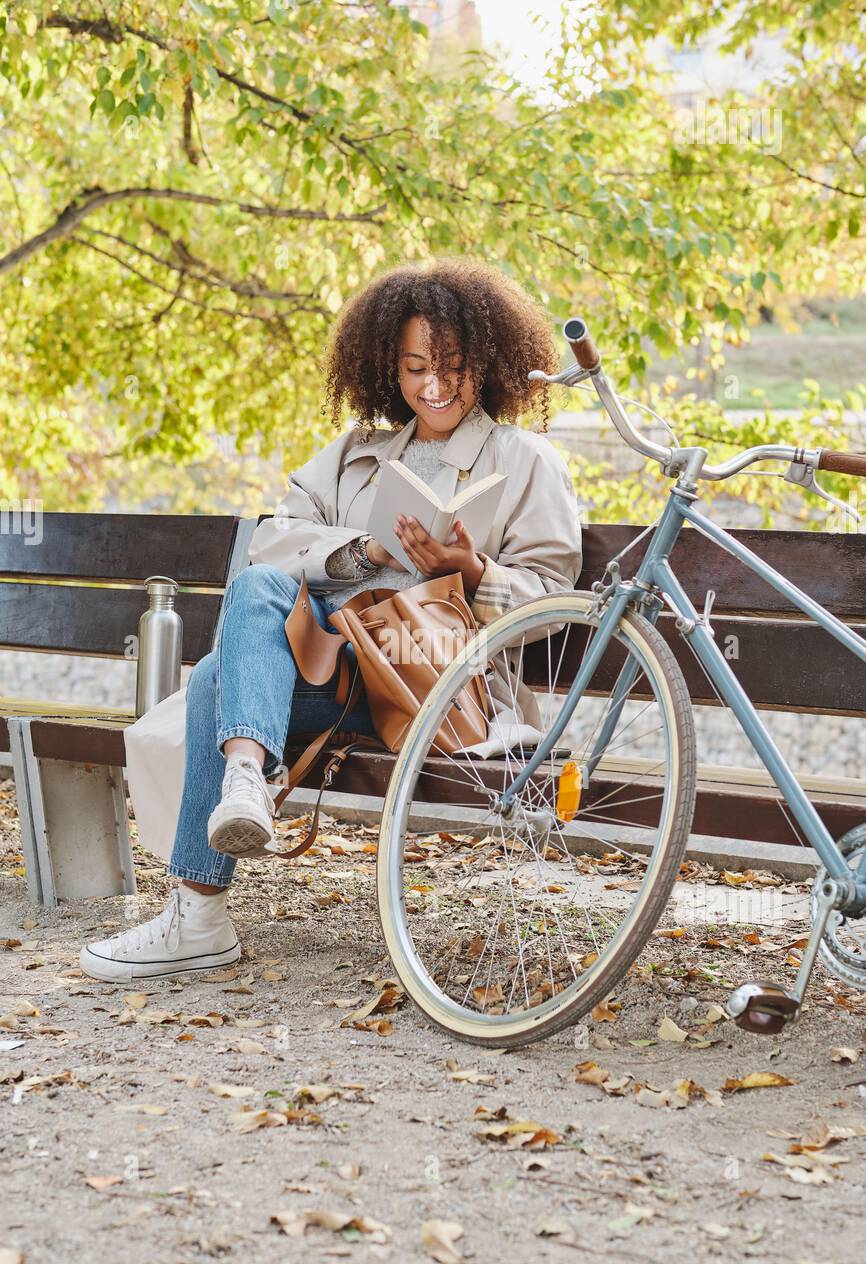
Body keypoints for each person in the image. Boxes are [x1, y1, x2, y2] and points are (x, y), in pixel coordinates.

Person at [80, 256, 584, 982]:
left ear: (488, 360)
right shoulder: (357, 454)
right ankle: (245, 783)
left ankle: (201, 913)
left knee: (219, 680)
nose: (433, 385)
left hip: (433, 688)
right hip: (344, 678)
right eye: (414, 368)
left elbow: (551, 605)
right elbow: (273, 540)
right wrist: (362, 550)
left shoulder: (526, 459)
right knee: (253, 596)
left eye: (451, 365)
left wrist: (472, 572)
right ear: (388, 369)